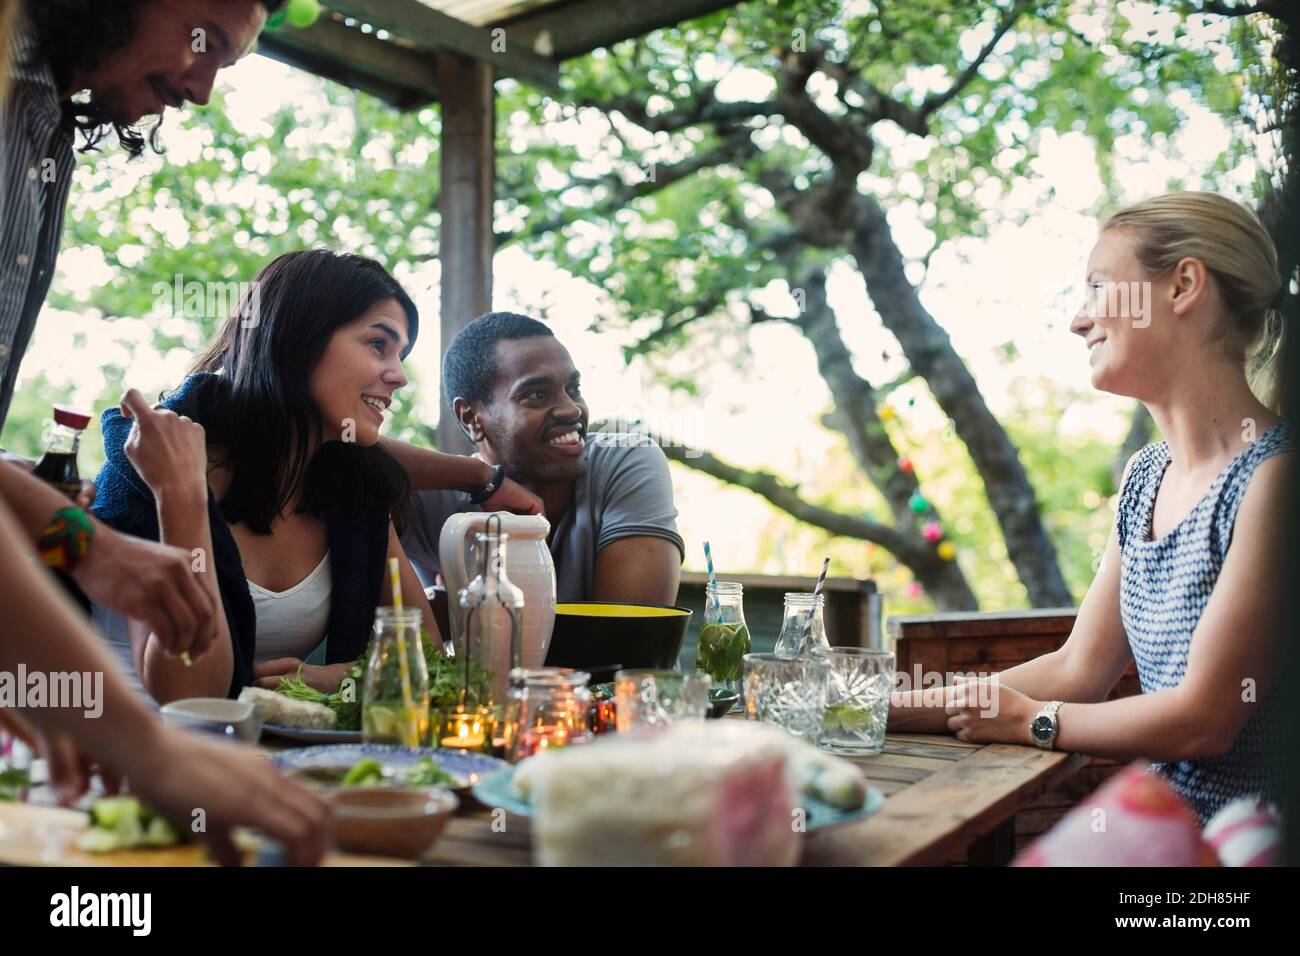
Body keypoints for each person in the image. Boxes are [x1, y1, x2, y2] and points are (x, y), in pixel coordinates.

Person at [890, 192, 1291, 823]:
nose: (1079, 321)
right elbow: (1078, 669)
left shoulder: (1277, 478)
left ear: (1184, 285)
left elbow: (1205, 720)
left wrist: (1035, 724)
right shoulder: (1144, 477)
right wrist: (880, 709)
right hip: (1168, 832)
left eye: (1099, 288)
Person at [93, 250, 445, 702]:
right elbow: (188, 697)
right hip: (114, 754)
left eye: (401, 354)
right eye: (379, 344)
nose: (398, 376)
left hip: (255, 757)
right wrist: (179, 496)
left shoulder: (354, 486)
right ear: (299, 336)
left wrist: (341, 681)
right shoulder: (152, 468)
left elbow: (432, 665)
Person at [394, 312, 684, 607]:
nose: (571, 410)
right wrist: (479, 478)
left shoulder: (625, 461)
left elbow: (627, 641)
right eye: (537, 394)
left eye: (573, 389)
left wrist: (463, 611)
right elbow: (348, 450)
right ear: (471, 417)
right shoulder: (436, 498)